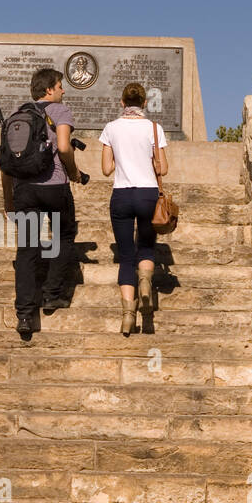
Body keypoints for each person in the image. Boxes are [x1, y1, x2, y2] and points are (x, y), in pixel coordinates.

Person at [0, 68, 87, 337]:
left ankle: (25, 316)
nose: (63, 90)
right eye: (60, 86)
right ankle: (51, 295)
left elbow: (5, 164)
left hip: (23, 189)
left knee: (26, 249)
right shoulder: (60, 111)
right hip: (53, 187)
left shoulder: (16, 116)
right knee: (63, 234)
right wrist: (73, 172)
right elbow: (63, 147)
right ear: (49, 89)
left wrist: (9, 199)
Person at [99, 82, 168, 336]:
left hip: (122, 194)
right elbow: (163, 169)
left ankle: (128, 315)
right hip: (148, 193)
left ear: (122, 102)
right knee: (147, 247)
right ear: (145, 103)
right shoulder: (154, 128)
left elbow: (106, 169)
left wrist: (121, 156)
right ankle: (146, 286)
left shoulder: (111, 128)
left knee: (126, 256)